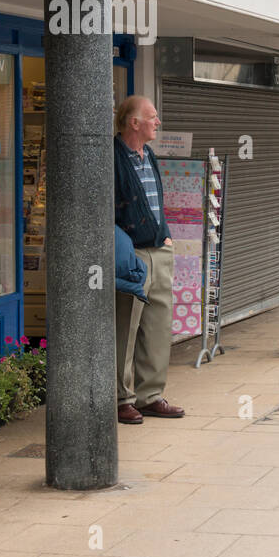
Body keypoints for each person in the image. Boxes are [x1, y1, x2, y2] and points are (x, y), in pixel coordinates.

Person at [113, 95, 184, 424]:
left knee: (158, 326)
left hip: (159, 249)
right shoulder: (113, 157)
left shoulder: (149, 154)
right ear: (134, 123)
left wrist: (166, 235)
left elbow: (156, 201)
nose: (157, 122)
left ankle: (150, 395)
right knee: (126, 327)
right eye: (152, 117)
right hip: (134, 254)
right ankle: (121, 397)